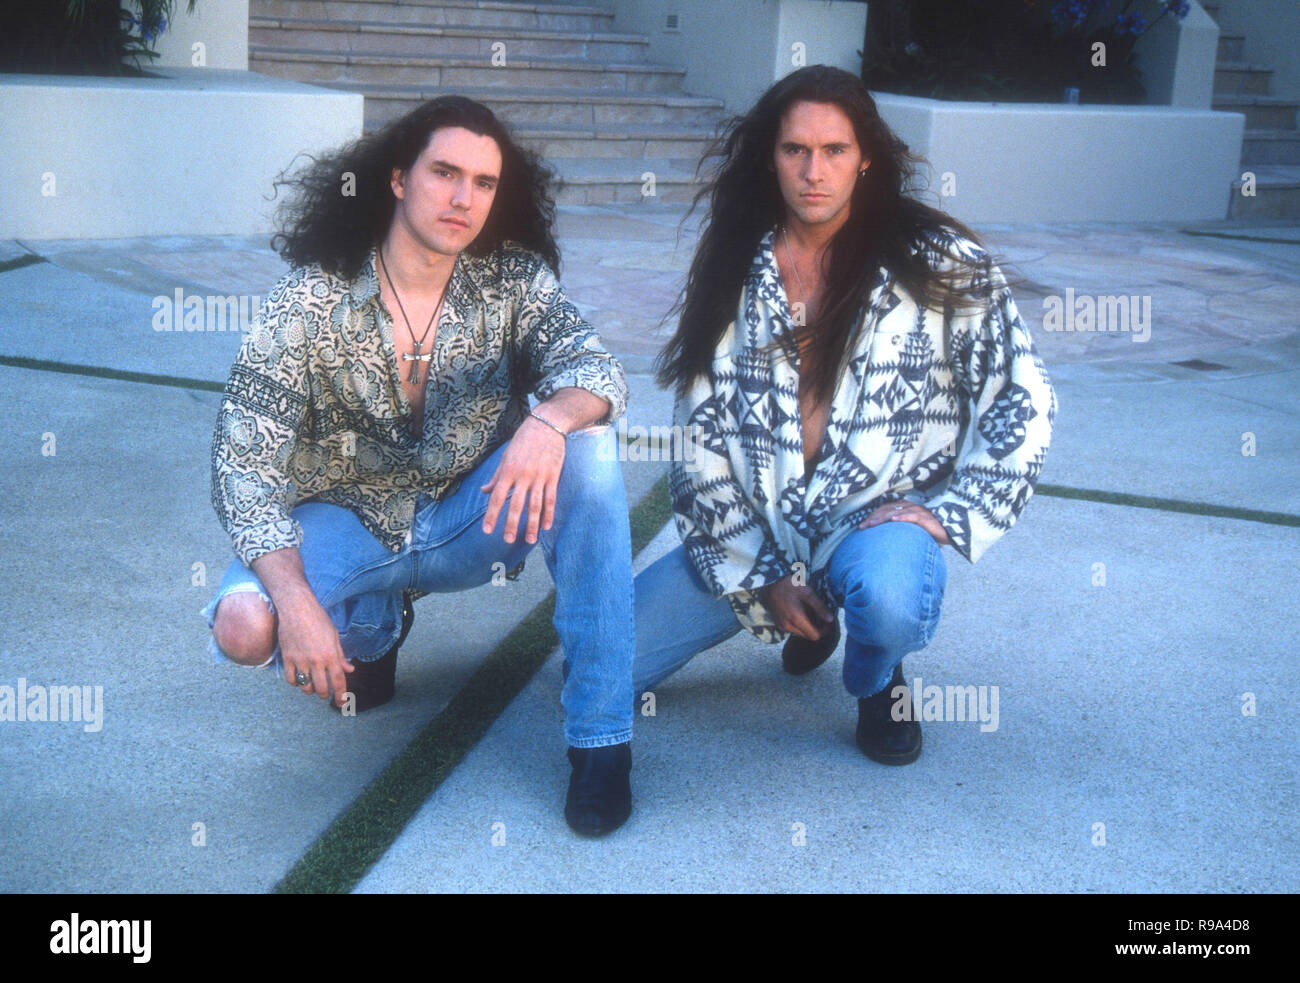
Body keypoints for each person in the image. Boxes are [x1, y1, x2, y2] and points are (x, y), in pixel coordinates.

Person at [201, 96, 635, 836]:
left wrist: (547, 421)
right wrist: (299, 604)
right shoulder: (311, 298)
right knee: (245, 625)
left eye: (484, 182)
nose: (463, 197)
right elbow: (241, 462)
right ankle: (372, 627)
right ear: (399, 179)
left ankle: (601, 741)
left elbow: (597, 369)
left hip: (473, 516)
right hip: (349, 518)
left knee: (588, 451)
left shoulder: (512, 281)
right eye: (444, 173)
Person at [635, 65, 1057, 764]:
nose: (813, 171)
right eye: (794, 149)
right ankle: (812, 620)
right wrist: (765, 574)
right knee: (600, 669)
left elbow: (1025, 394)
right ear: (769, 156)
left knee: (890, 597)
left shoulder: (936, 261)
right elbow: (698, 435)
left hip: (869, 522)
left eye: (834, 150)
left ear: (866, 157)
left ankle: (874, 673)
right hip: (756, 537)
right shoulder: (736, 264)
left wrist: (954, 511)